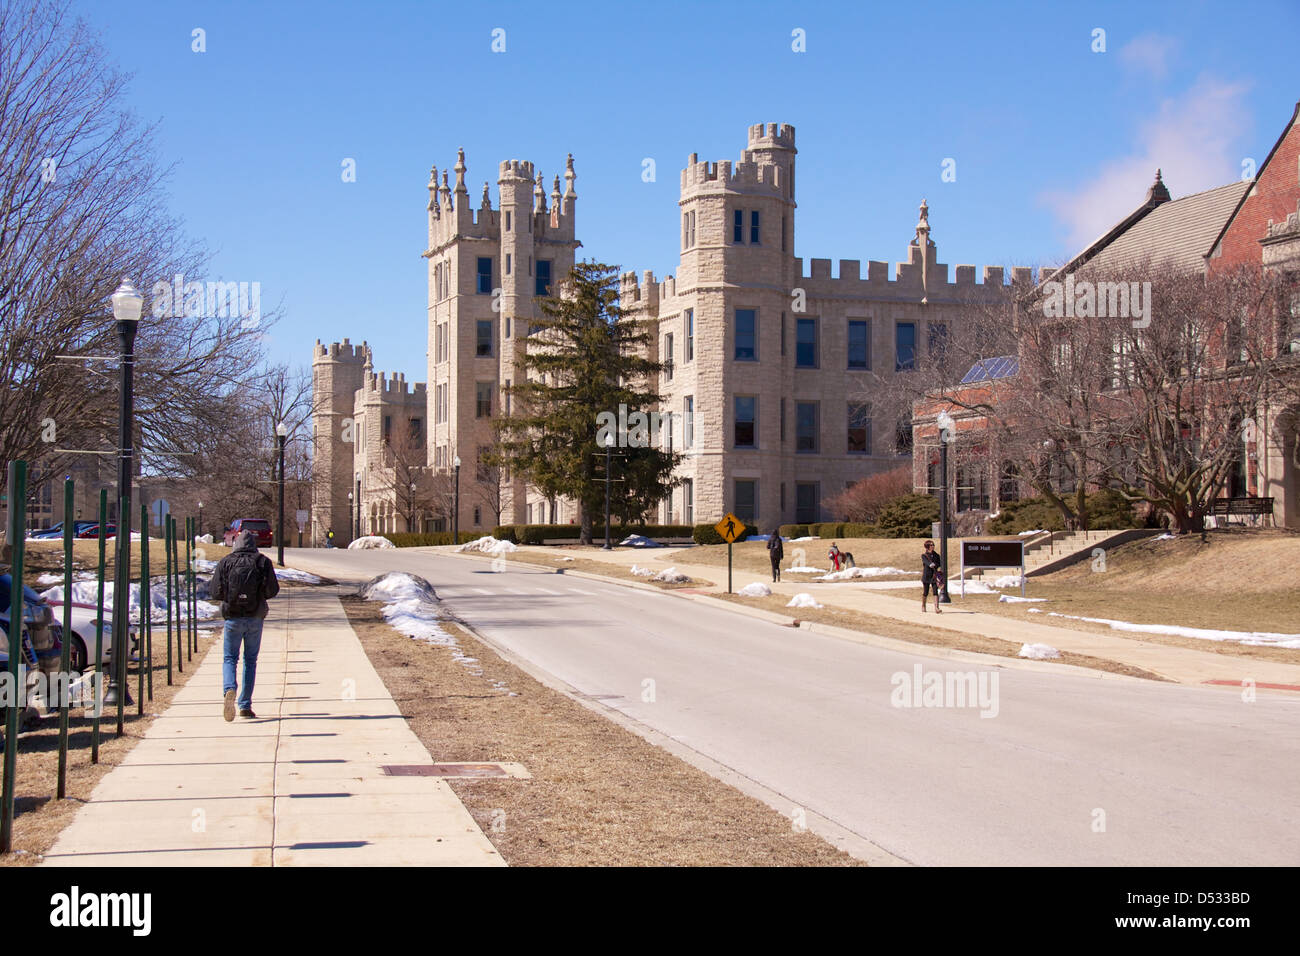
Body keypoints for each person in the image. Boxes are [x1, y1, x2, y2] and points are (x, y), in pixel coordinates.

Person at [209, 530, 280, 719]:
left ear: (236, 543)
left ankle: (229, 688)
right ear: (253, 544)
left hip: (232, 617)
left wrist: (229, 598)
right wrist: (258, 596)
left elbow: (215, 591)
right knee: (250, 661)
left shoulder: (226, 562)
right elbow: (273, 590)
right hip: (255, 617)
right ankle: (245, 705)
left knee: (230, 658)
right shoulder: (262, 561)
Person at [921, 539, 943, 613]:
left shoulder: (936, 555)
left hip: (934, 575)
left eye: (933, 545)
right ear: (927, 547)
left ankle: (937, 608)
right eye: (931, 545)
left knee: (935, 591)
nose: (933, 546)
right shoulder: (924, 555)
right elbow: (926, 561)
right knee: (925, 592)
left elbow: (939, 563)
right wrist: (930, 564)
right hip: (926, 576)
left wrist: (935, 565)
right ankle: (923, 605)